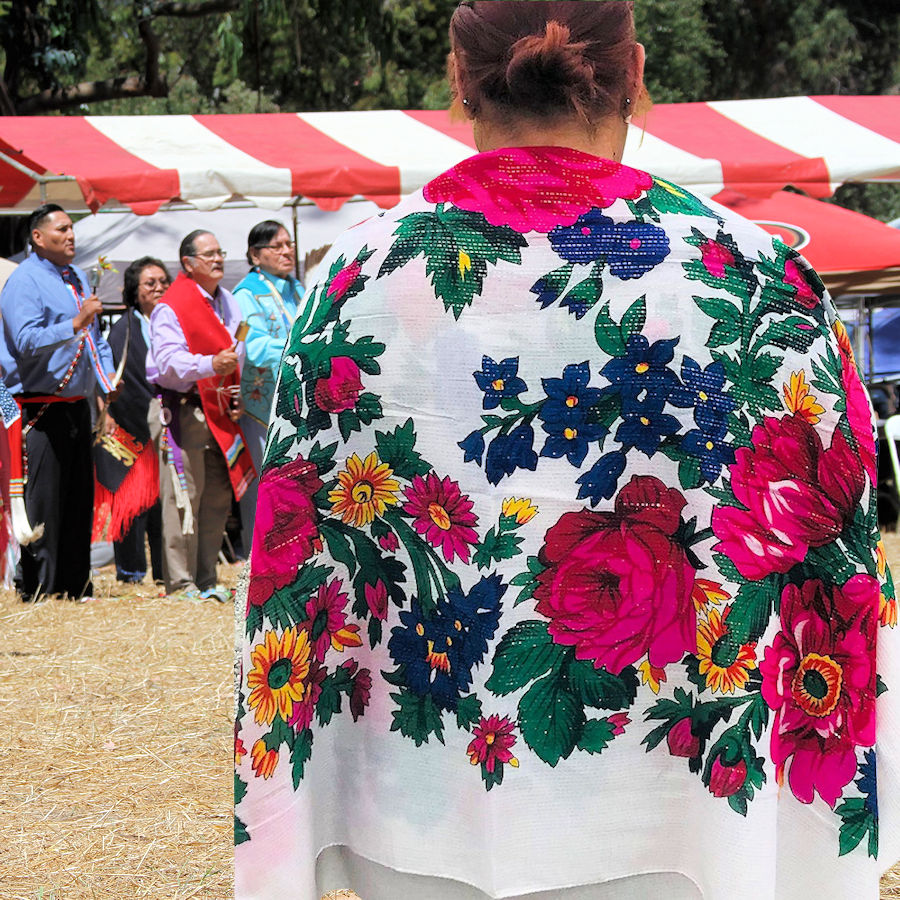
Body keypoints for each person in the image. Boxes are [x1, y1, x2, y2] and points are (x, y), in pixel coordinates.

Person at [234, 4, 900, 898]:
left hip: (422, 805)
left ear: (458, 79)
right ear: (636, 70)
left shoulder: (355, 280)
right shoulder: (752, 271)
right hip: (692, 811)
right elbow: (842, 551)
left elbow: (294, 557)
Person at [0, 203, 117, 600]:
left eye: (73, 229)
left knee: (78, 495)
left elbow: (94, 339)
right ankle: (39, 587)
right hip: (37, 406)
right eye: (62, 229)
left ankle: (74, 584)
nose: (72, 236)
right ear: (37, 237)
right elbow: (25, 340)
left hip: (75, 403)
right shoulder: (25, 281)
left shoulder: (76, 277)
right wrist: (74, 322)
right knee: (44, 498)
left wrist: (106, 379)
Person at [146, 229, 254, 600]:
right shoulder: (171, 306)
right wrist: (211, 364)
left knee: (218, 495)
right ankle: (181, 582)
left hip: (220, 409)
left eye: (220, 251)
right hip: (182, 408)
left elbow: (237, 348)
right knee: (183, 495)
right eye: (209, 254)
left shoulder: (227, 301)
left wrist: (237, 391)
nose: (218, 258)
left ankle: (206, 577)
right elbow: (167, 362)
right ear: (188, 263)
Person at [93, 257, 170, 584]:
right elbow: (107, 379)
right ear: (134, 292)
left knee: (167, 505)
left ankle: (167, 573)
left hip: (170, 425)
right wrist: (105, 413)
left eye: (163, 281)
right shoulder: (123, 330)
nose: (159, 288)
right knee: (133, 503)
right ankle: (131, 572)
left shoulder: (173, 323)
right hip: (132, 425)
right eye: (150, 283)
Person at [232, 220, 306, 543]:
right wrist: (300, 344)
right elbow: (254, 347)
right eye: (277, 246)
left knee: (297, 482)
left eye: (289, 244)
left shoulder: (298, 288)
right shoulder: (244, 294)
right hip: (262, 402)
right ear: (255, 254)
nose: (287, 251)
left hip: (296, 397)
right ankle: (257, 558)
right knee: (266, 483)